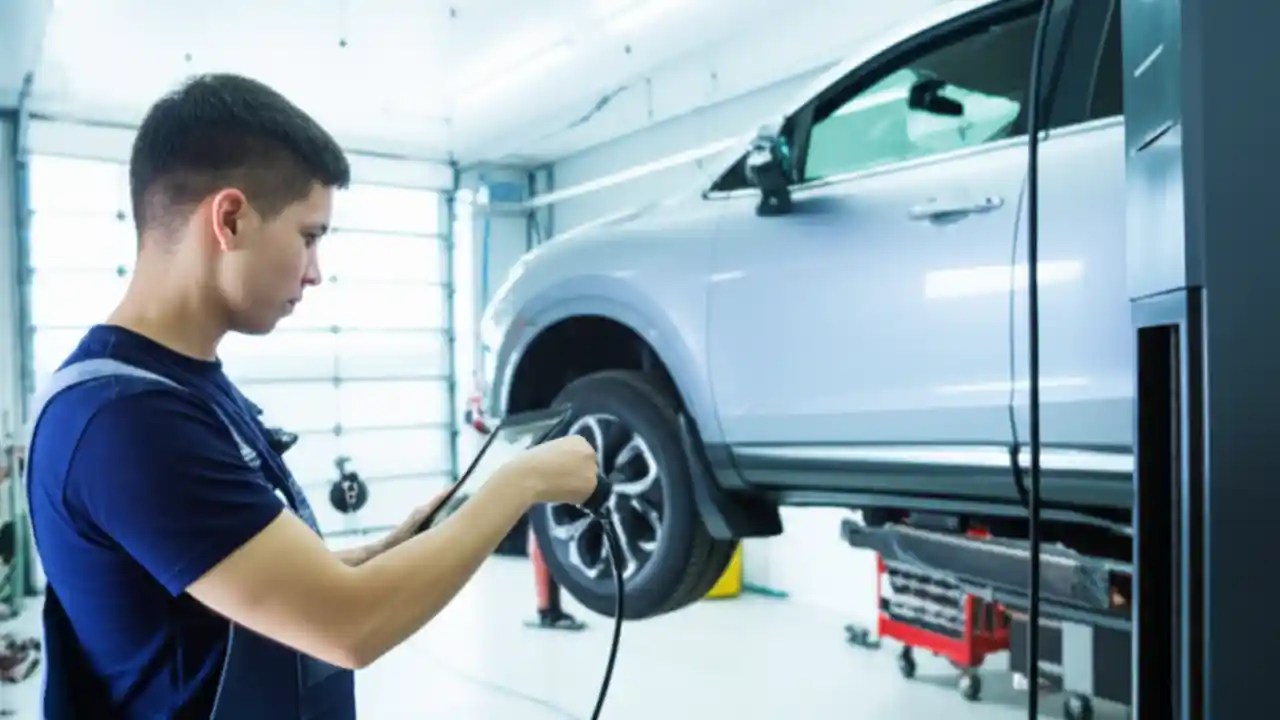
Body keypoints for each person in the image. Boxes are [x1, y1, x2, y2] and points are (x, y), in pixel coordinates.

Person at [24, 73, 599, 719]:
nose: (316, 272)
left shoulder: (179, 390)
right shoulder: (126, 423)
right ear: (231, 218)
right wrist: (518, 485)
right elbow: (346, 625)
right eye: (309, 235)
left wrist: (392, 548)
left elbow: (244, 583)